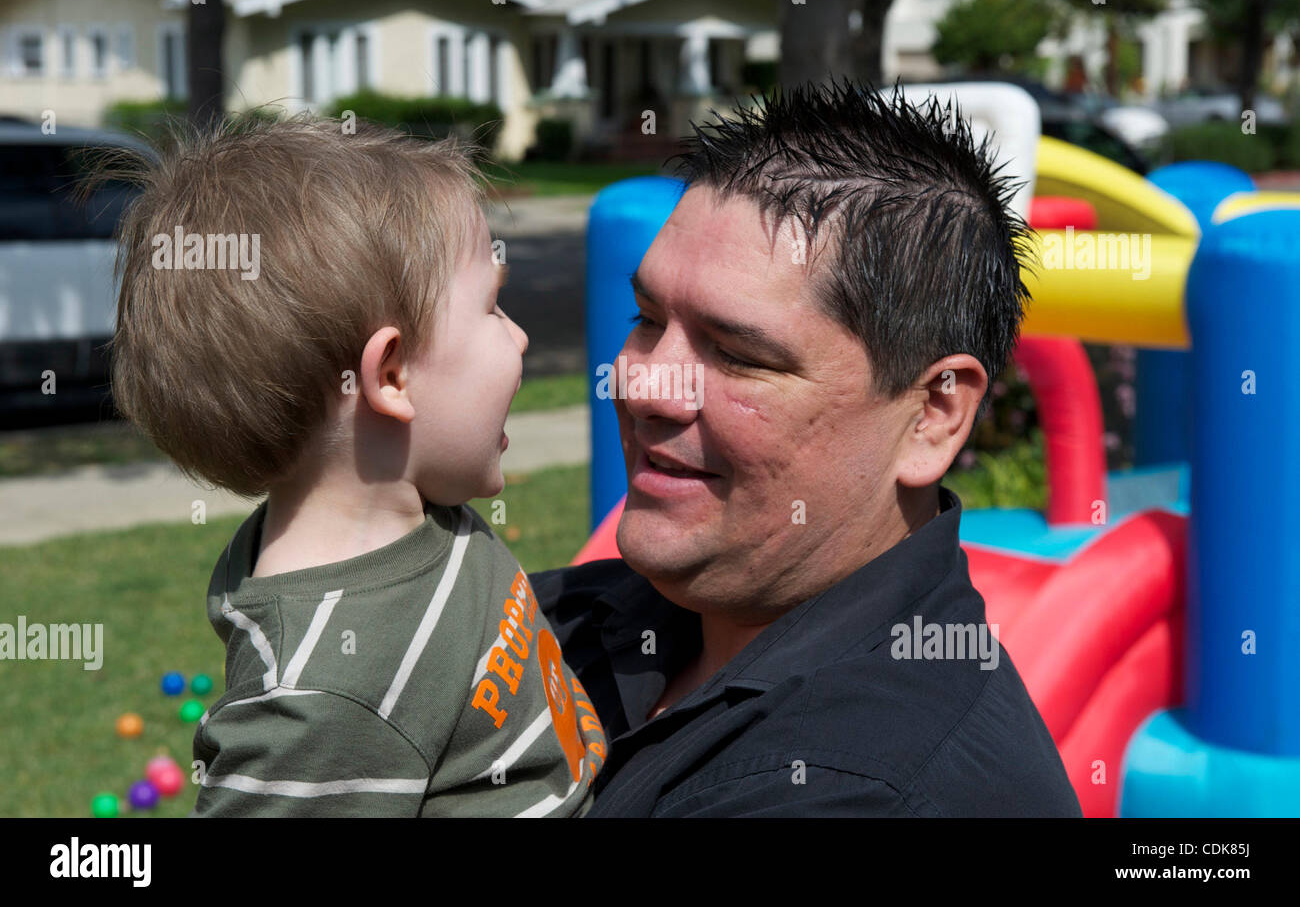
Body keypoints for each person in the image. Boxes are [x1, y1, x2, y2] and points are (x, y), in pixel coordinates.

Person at [532, 79, 1083, 816]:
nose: (641, 385)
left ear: (934, 415)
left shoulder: (863, 790)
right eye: (647, 317)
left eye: (738, 355)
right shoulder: (563, 622)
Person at [107, 116, 606, 816]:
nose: (521, 336)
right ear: (392, 374)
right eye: (493, 307)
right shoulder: (321, 699)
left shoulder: (418, 511)